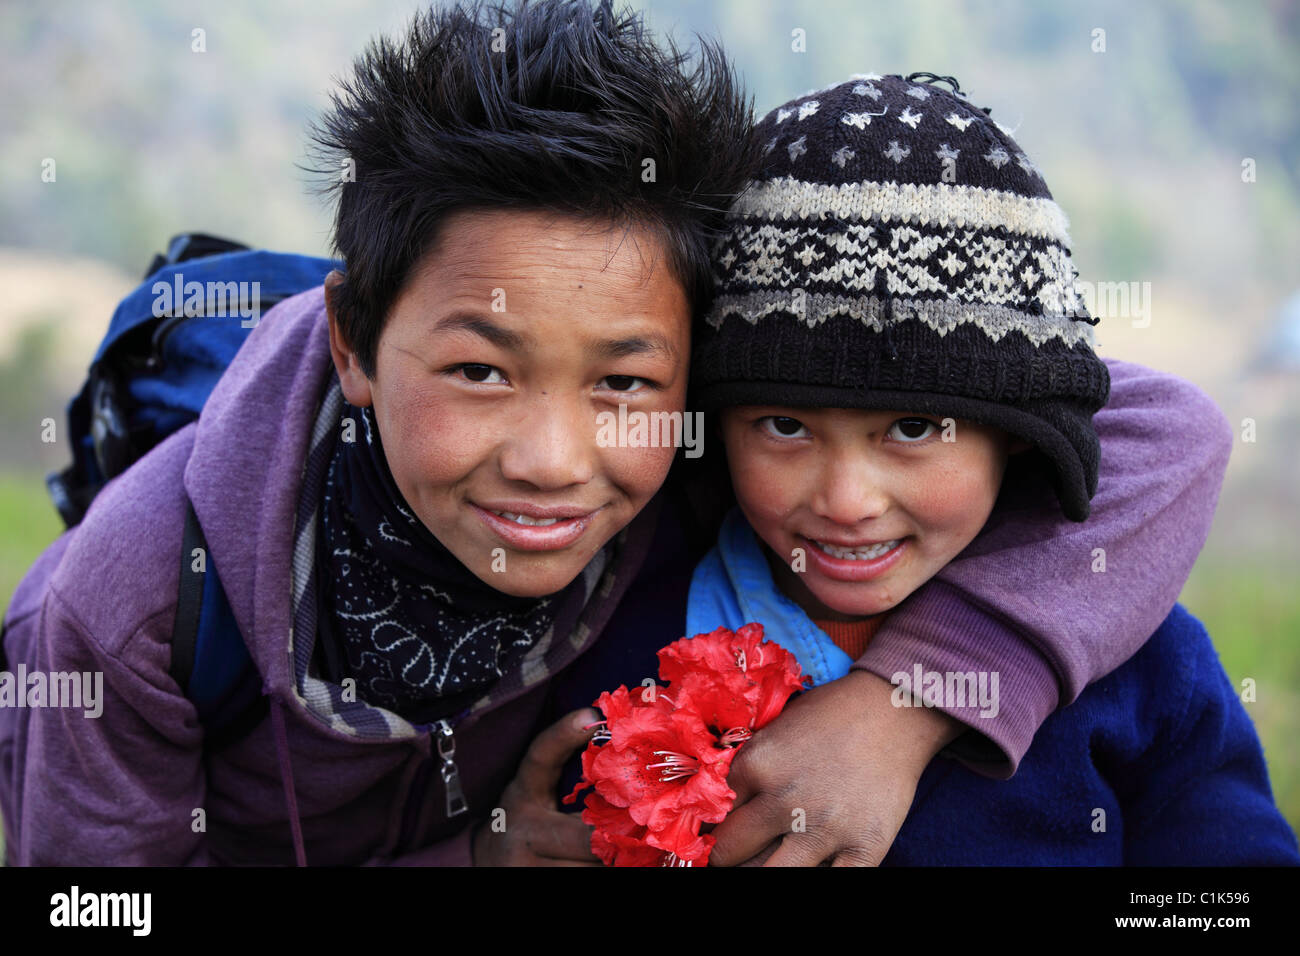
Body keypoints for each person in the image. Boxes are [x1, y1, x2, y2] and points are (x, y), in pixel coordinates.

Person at [0, 5, 1231, 867]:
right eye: (480, 369)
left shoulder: (713, 470)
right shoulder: (131, 610)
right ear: (354, 344)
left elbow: (1165, 429)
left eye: (623, 379)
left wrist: (897, 704)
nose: (553, 459)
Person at [569, 72, 1298, 864]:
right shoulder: (616, 632)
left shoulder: (1131, 655)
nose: (847, 501)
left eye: (913, 429)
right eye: (784, 426)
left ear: (1018, 432)